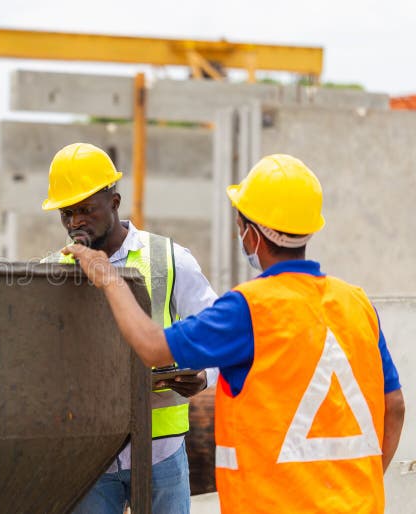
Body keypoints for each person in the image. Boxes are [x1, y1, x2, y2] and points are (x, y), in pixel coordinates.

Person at [64, 154, 406, 513]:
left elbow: (152, 346)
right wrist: (363, 486)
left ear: (251, 233)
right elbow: (394, 407)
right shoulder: (357, 303)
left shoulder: (248, 309)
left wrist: (108, 277)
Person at [42, 142, 218, 514]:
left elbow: (216, 335)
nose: (75, 223)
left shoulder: (169, 259)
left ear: (115, 202)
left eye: (86, 209)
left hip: (160, 451)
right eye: (67, 213)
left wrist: (204, 377)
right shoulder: (51, 272)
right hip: (90, 458)